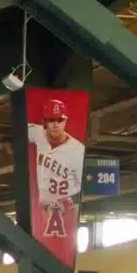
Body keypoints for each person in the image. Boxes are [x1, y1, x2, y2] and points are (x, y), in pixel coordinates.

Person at [26, 97, 85, 246]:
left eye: (60, 120)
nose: (55, 125)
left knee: (62, 248)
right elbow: (19, 128)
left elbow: (84, 187)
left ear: (65, 121)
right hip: (43, 206)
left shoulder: (77, 151)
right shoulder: (39, 134)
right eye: (51, 120)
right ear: (45, 122)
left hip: (66, 209)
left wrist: (65, 203)